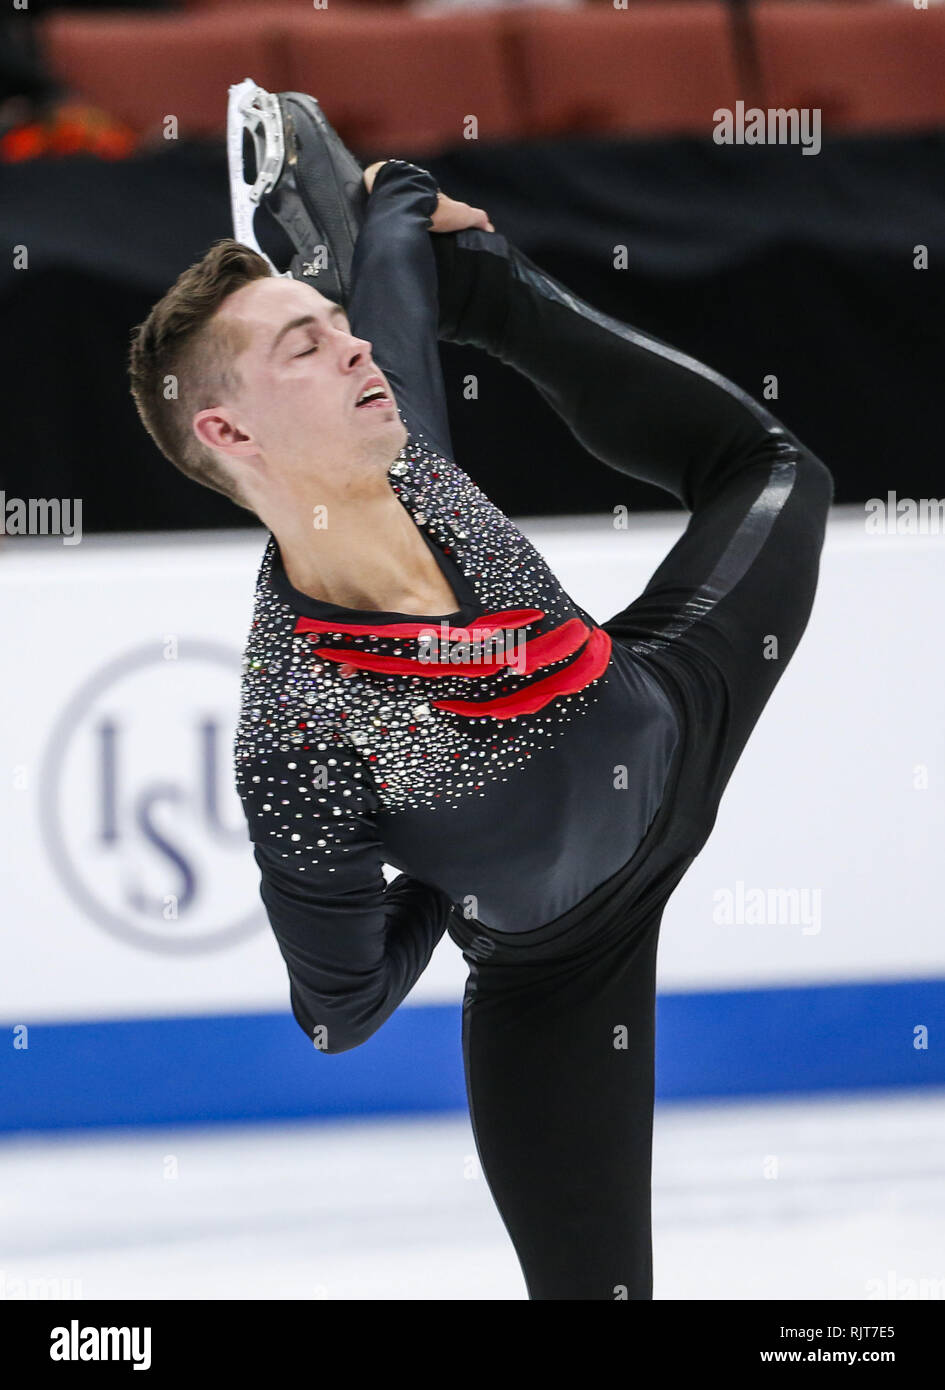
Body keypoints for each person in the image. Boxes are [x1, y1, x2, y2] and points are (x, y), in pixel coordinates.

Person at [128, 90, 833, 1300]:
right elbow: (336, 1013)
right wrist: (452, 884)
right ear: (229, 430)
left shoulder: (404, 445)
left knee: (776, 471)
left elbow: (390, 273)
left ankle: (494, 291)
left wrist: (401, 203)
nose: (352, 345)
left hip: (673, 700)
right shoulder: (302, 727)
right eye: (307, 343)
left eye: (331, 319)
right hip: (565, 968)